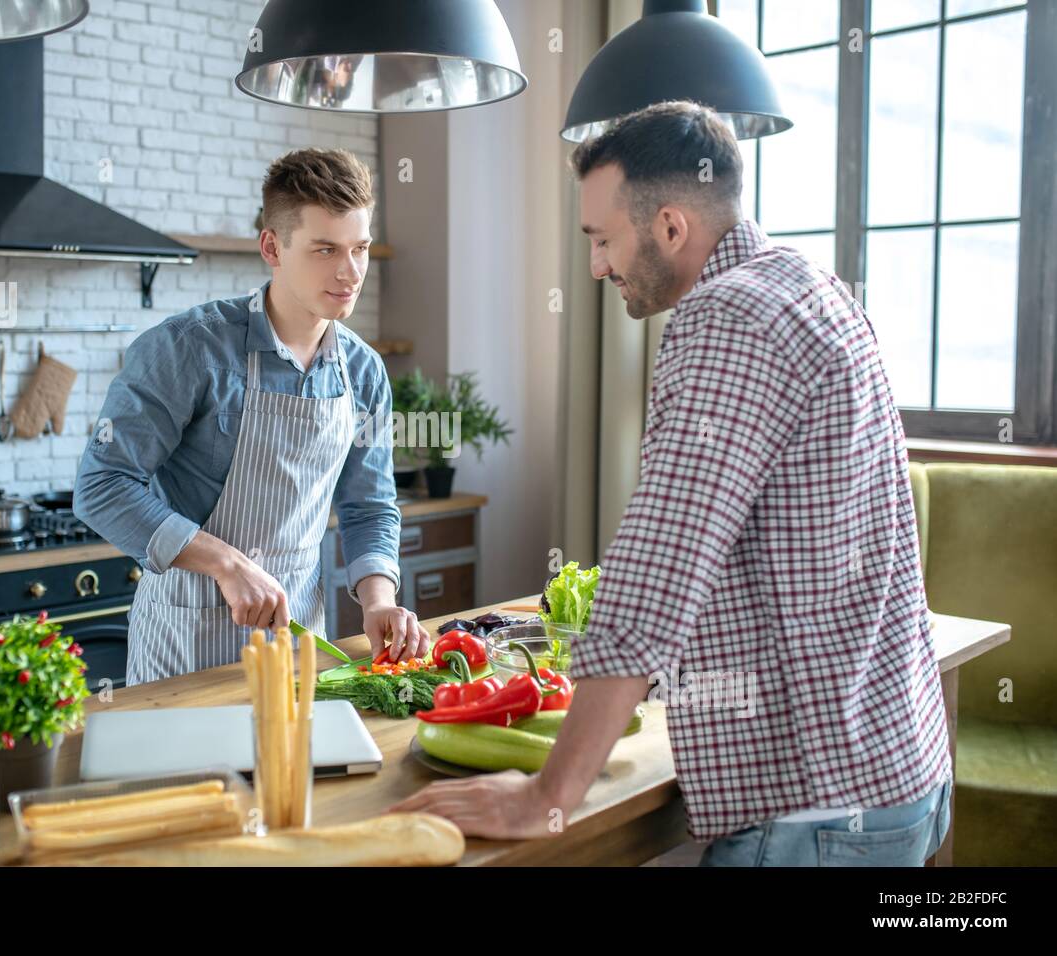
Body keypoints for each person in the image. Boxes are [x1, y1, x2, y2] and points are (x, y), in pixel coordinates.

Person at [393, 101, 953, 867]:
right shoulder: (813, 288)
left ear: (670, 226)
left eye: (601, 238)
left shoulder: (724, 320)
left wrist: (547, 797)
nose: (595, 266)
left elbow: (656, 573)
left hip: (811, 811)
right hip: (895, 768)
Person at [73, 148, 430, 686]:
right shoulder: (187, 348)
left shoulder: (364, 371)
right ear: (272, 247)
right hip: (185, 647)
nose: (350, 271)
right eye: (325, 249)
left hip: (298, 645)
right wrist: (228, 563)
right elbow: (101, 486)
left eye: (360, 248)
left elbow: (369, 505)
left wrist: (380, 600)